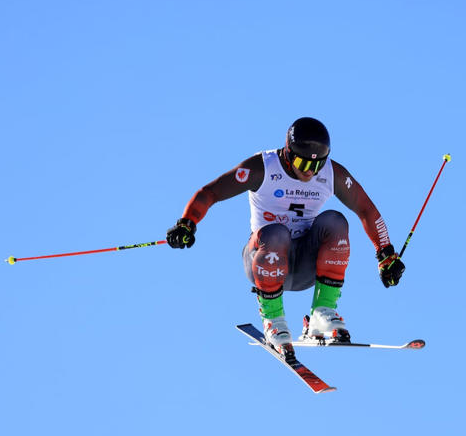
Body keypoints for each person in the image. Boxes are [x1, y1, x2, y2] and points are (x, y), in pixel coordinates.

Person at [166, 117, 405, 358]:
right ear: (288, 153)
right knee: (277, 233)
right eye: (302, 162)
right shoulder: (264, 167)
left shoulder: (331, 174)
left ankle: (322, 313)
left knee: (335, 221)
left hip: (304, 267)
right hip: (263, 257)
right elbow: (211, 192)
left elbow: (366, 209)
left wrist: (385, 253)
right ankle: (273, 321)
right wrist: (187, 223)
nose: (309, 172)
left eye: (317, 165)